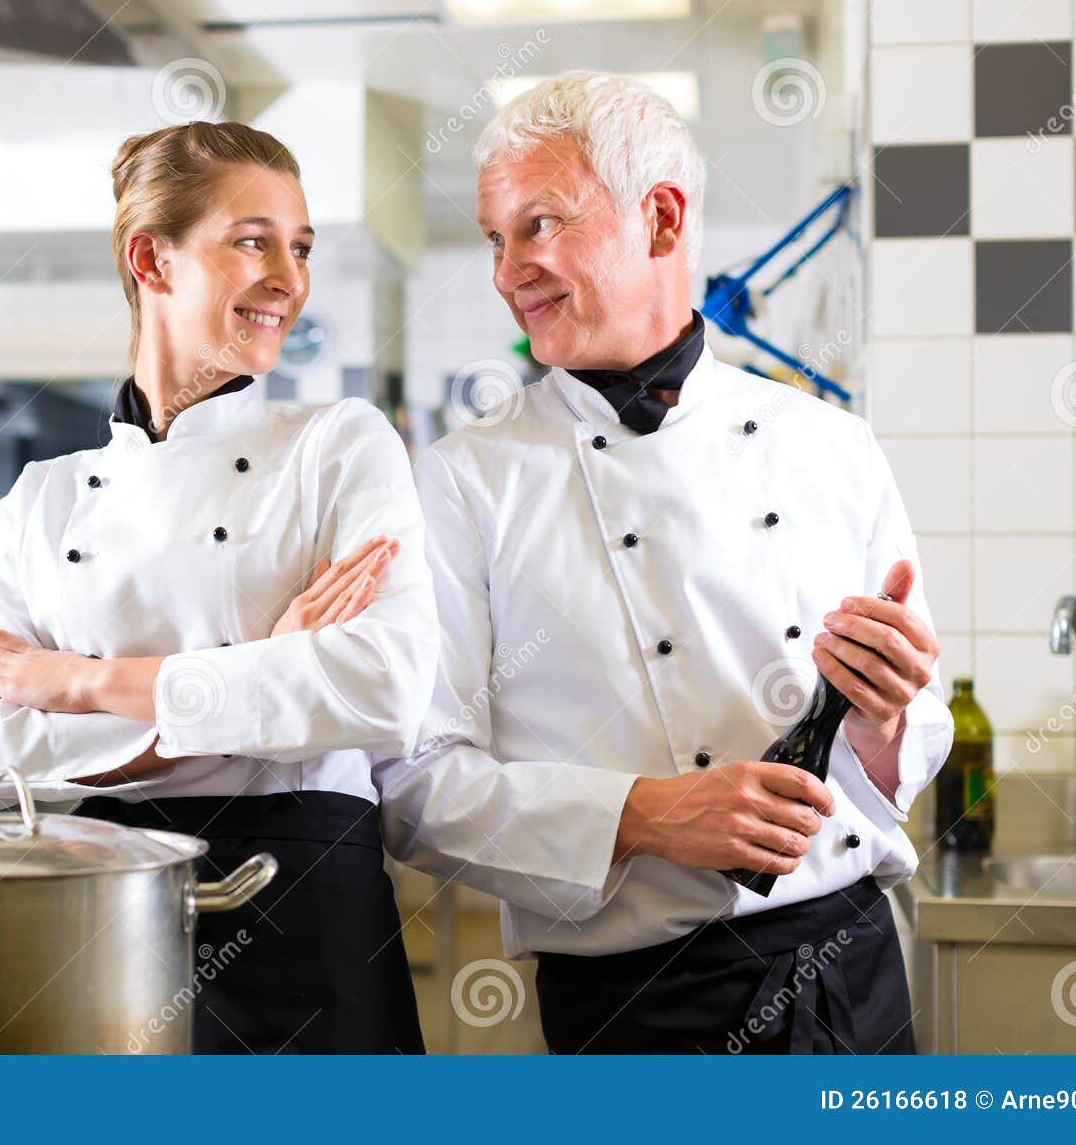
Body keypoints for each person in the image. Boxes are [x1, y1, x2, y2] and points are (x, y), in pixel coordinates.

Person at [376, 72, 952, 1055]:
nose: (507, 269)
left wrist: (889, 714)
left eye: (539, 224)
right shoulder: (460, 481)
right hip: (637, 1007)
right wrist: (642, 814)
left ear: (660, 215)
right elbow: (414, 784)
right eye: (493, 237)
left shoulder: (830, 443)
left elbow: (916, 729)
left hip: (852, 964)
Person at [0, 121, 437, 1054]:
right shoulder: (46, 497)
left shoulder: (338, 443)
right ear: (151, 262)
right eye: (254, 240)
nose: (291, 275)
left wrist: (74, 683)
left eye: (302, 246)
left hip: (305, 908)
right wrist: (260, 669)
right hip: (103, 908)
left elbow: (384, 684)